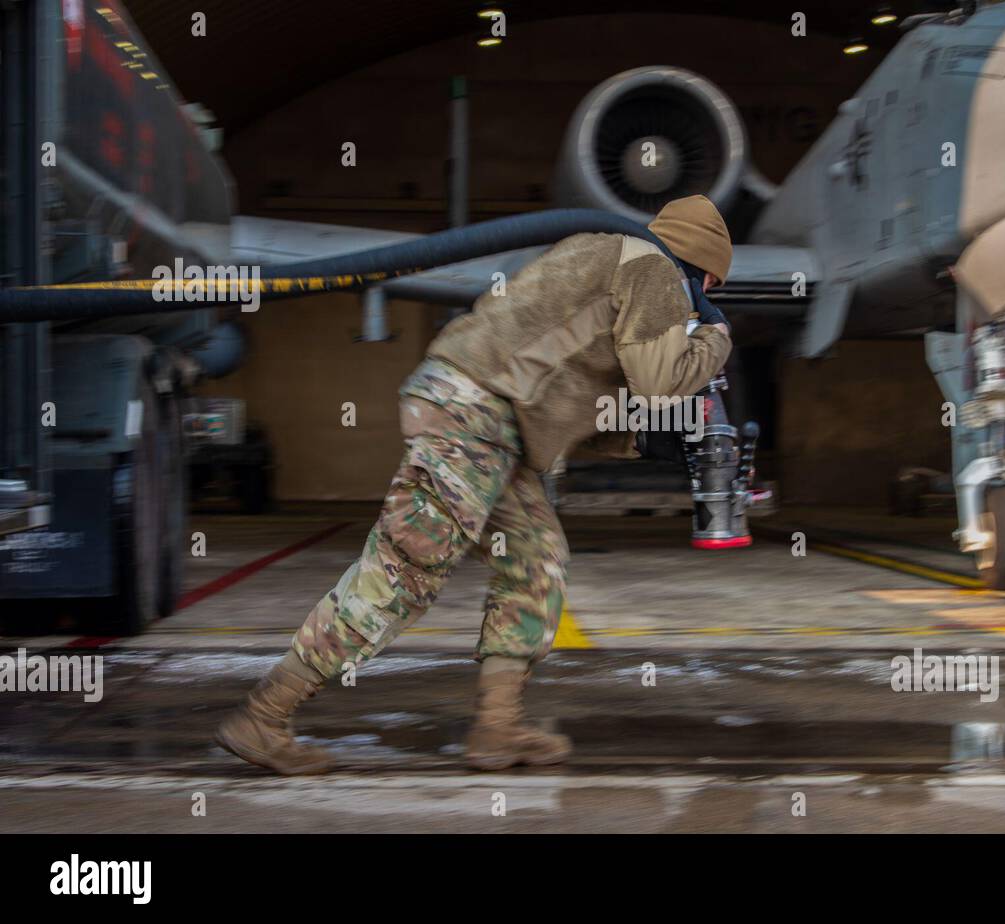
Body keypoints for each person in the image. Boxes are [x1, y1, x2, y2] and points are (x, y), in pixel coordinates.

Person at [216, 195, 733, 773]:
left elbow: (563, 377)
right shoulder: (656, 269)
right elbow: (661, 383)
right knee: (405, 570)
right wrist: (714, 337)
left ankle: (497, 729)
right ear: (706, 269)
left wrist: (639, 440)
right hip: (475, 415)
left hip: (490, 417)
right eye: (711, 285)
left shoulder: (604, 253)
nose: (704, 298)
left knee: (536, 561)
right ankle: (263, 716)